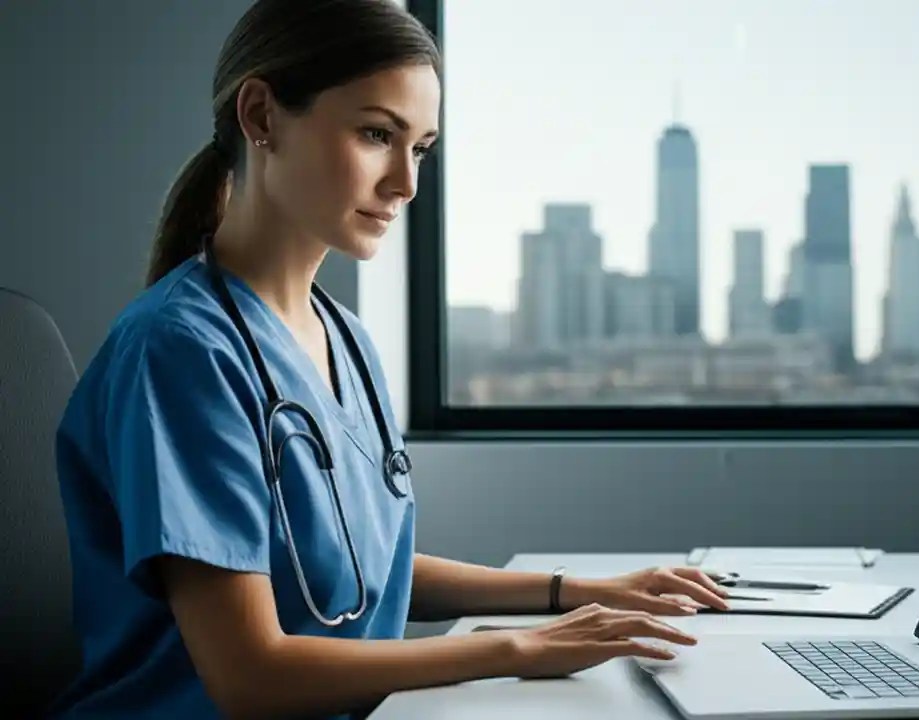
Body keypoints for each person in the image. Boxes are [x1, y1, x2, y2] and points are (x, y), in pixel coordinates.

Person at [49, 1, 729, 718]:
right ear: (261, 117)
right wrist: (518, 648)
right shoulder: (181, 350)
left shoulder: (344, 338)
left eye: (422, 148)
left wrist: (574, 592)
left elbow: (363, 578)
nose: (405, 183)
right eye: (378, 134)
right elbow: (250, 675)